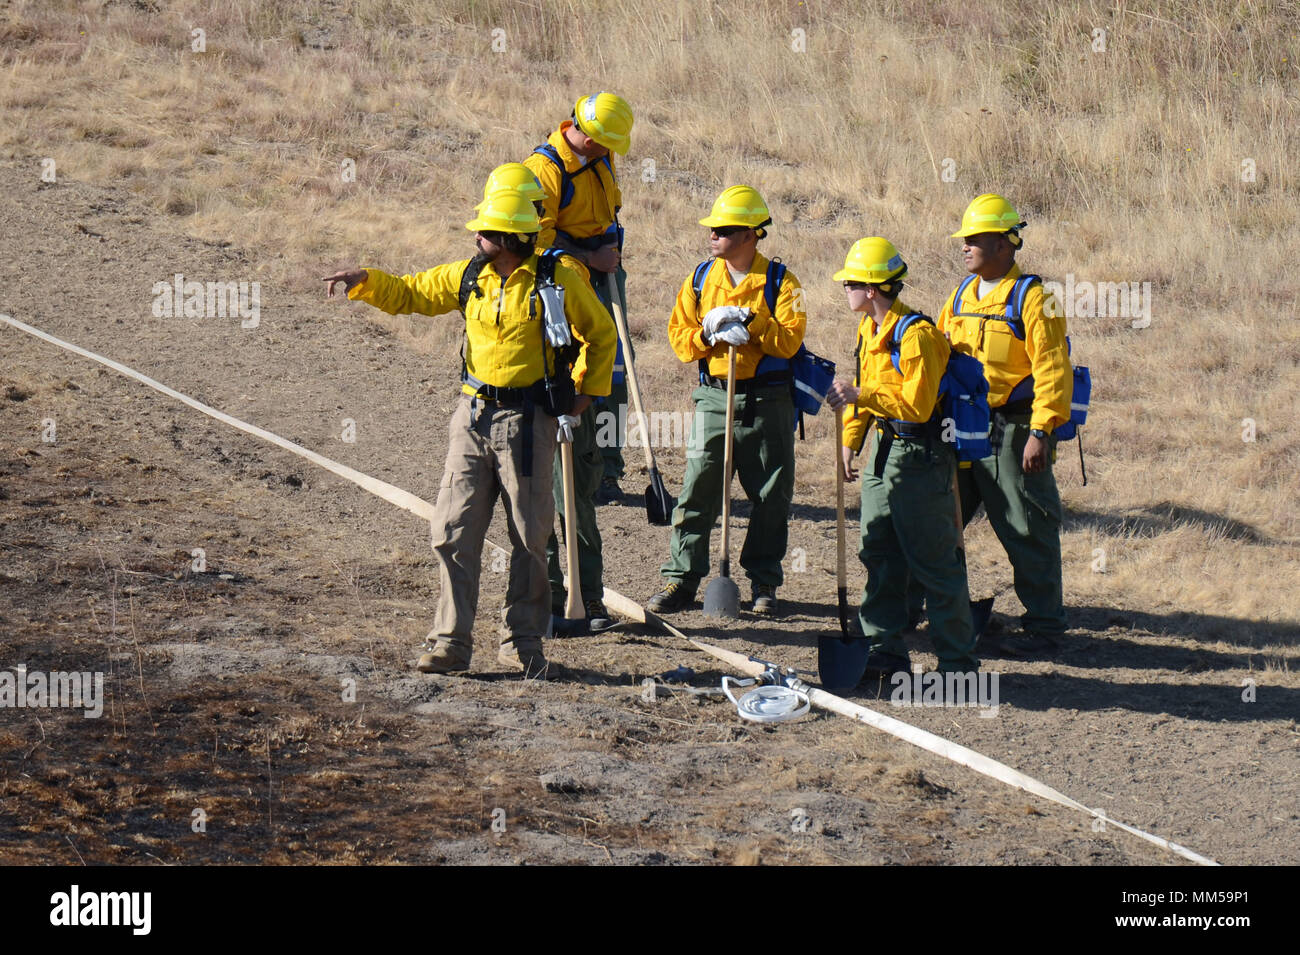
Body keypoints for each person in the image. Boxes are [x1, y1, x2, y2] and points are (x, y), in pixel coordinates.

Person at [322, 190, 615, 677]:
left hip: (528, 425)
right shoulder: (470, 275)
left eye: (483, 230)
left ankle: (523, 646)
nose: (475, 235)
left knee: (529, 537)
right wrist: (365, 281)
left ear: (506, 238)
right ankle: (450, 644)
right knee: (452, 529)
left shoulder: (558, 279)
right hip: (471, 417)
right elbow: (414, 292)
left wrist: (583, 396)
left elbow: (601, 335)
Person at [647, 185, 806, 616]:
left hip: (768, 402)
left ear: (751, 234)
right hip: (715, 400)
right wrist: (707, 332)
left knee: (771, 495)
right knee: (697, 489)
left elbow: (790, 342)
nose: (713, 235)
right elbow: (680, 340)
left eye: (723, 229)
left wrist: (753, 326)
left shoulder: (780, 281)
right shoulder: (700, 278)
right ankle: (681, 581)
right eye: (712, 228)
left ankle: (764, 583)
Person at [825, 238, 977, 677]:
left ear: (872, 289)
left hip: (921, 457)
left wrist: (863, 395)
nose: (845, 289)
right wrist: (851, 439)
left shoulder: (919, 336)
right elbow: (862, 387)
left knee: (933, 561)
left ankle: (957, 664)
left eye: (851, 282)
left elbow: (919, 404)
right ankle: (884, 649)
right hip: (883, 452)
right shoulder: (869, 330)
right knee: (879, 553)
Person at [938, 193, 1072, 655]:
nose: (964, 246)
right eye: (965, 238)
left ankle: (1045, 628)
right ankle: (945, 613)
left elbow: (1054, 369)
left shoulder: (1037, 299)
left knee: (1026, 525)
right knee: (942, 520)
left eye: (974, 238)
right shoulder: (958, 295)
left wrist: (1041, 432)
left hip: (1015, 431)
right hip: (963, 426)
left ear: (1005, 243)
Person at [525, 92, 634, 628]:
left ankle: (600, 461)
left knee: (610, 378)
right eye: (607, 145)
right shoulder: (543, 173)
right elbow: (534, 246)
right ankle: (552, 597)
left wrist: (606, 258)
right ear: (586, 136)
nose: (612, 153)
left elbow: (609, 211)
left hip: (603, 277)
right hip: (562, 293)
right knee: (552, 457)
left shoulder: (601, 156)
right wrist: (587, 258)